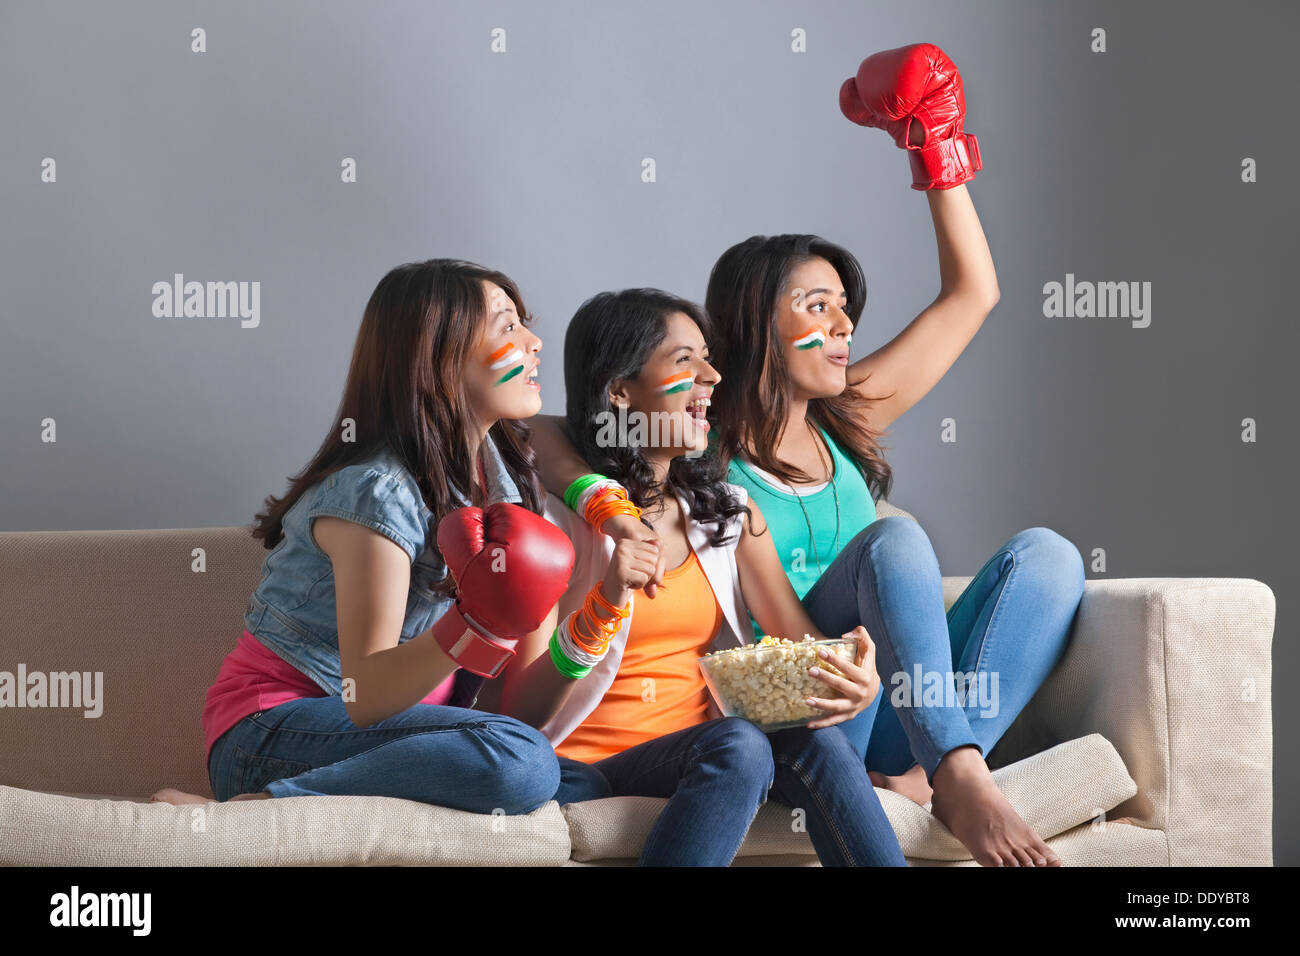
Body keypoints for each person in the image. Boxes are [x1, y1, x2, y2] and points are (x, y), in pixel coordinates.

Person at [527, 45, 1084, 866]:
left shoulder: (845, 415)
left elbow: (975, 294)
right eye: (816, 307)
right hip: (804, 708)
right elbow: (540, 430)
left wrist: (935, 145)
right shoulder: (700, 448)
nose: (844, 327)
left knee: (1049, 557)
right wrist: (598, 501)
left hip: (888, 701)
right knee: (893, 543)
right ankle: (958, 776)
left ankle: (935, 781)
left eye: (846, 307)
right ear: (756, 324)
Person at [489, 287, 906, 867]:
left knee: (813, 741)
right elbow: (517, 716)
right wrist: (604, 603)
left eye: (708, 358)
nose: (712, 376)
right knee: (739, 742)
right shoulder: (550, 522)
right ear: (620, 390)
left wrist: (854, 679)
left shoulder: (727, 514)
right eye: (685, 361)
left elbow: (802, 643)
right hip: (577, 768)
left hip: (697, 756)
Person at [150, 258, 579, 815]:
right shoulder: (376, 491)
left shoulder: (508, 490)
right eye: (507, 325)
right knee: (524, 761)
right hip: (273, 733)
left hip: (403, 736)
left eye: (524, 322)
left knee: (566, 776)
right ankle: (258, 809)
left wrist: (594, 619)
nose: (534, 340)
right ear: (439, 356)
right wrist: (476, 624)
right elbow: (367, 695)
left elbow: (513, 708)